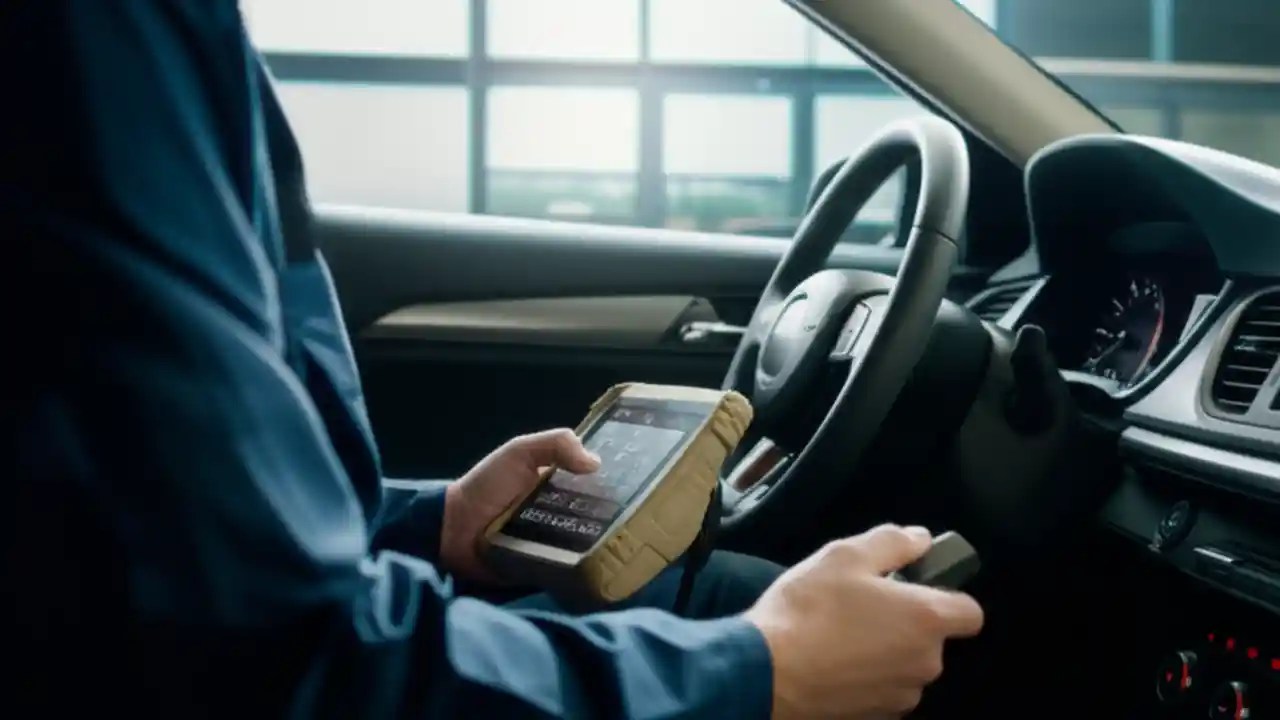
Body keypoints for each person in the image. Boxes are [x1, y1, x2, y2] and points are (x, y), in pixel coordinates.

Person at [6, 3, 983, 718]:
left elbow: (145, 514)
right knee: (764, 617)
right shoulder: (93, 40)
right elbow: (265, 655)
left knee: (715, 587)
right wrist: (758, 674)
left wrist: (429, 524)